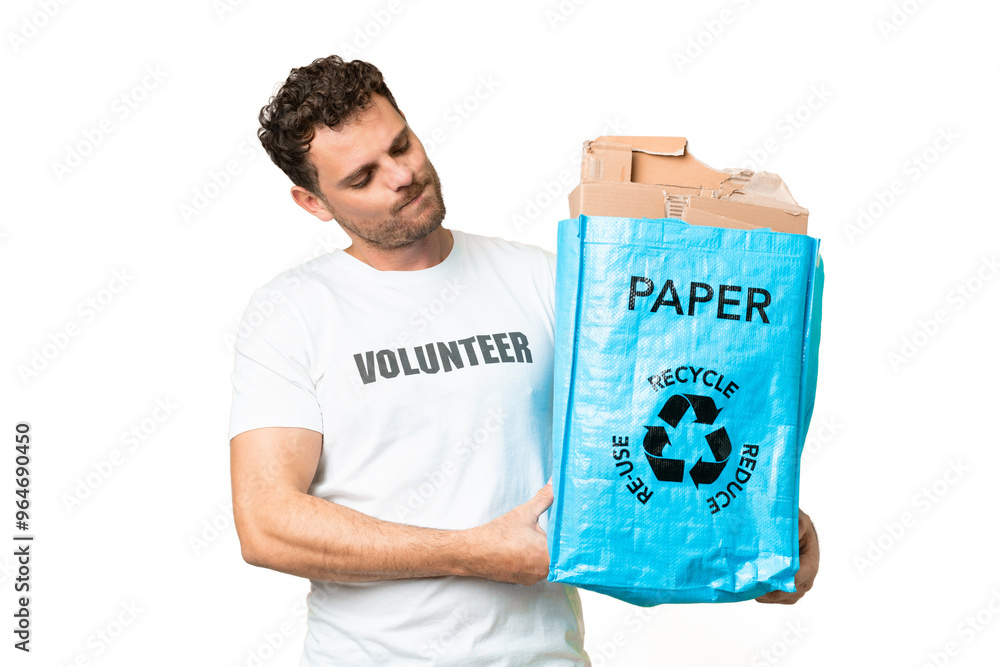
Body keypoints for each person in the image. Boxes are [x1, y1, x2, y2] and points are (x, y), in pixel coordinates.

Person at [228, 55, 819, 666]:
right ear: (313, 202)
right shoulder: (293, 313)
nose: (401, 176)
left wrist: (760, 524)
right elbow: (267, 522)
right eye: (362, 177)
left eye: (401, 145)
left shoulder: (548, 279)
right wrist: (470, 552)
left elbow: (646, 433)